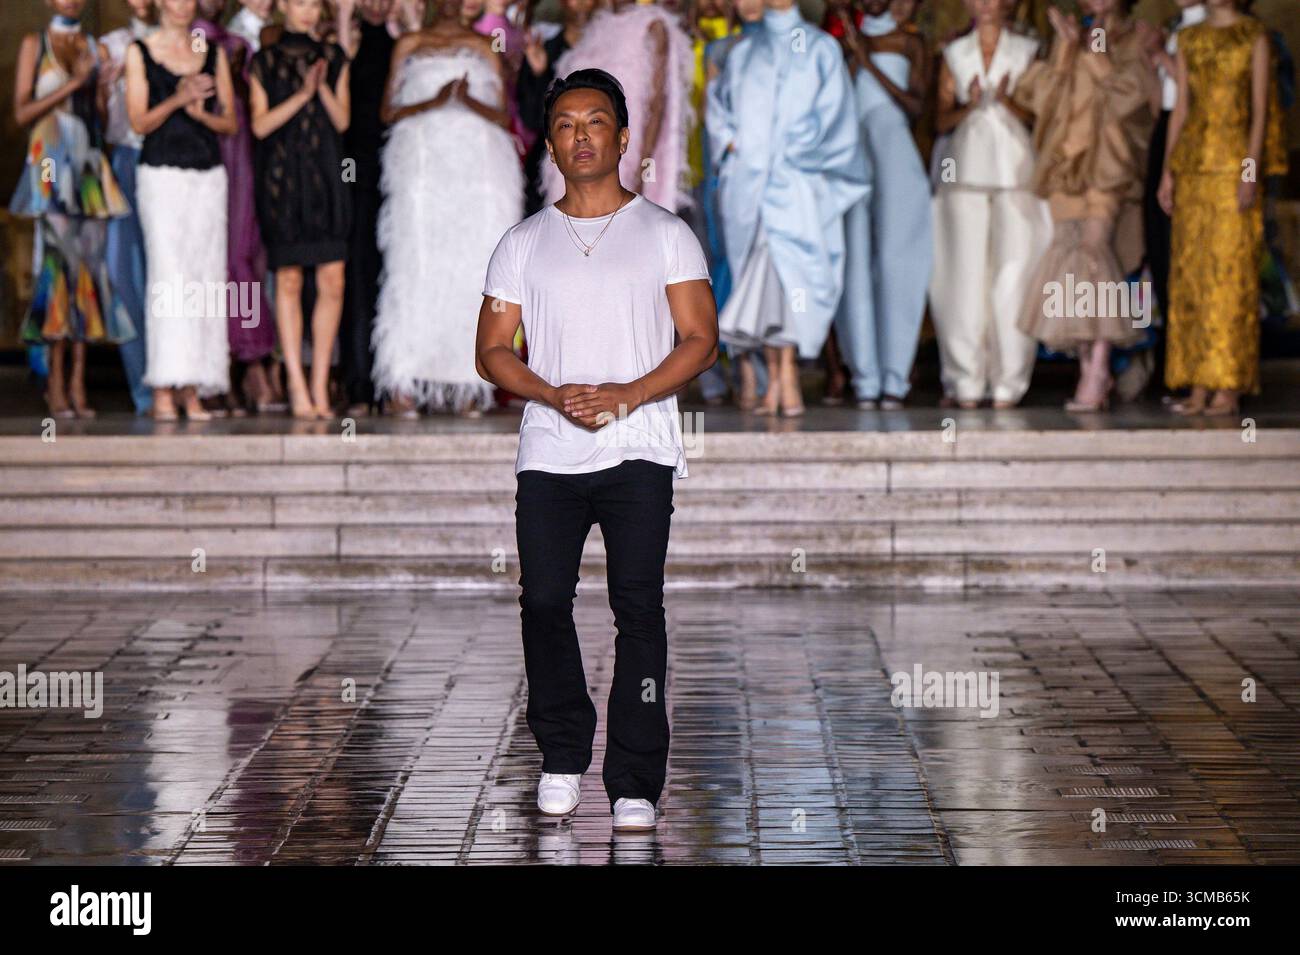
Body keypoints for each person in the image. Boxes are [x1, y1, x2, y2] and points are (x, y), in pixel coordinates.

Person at [475, 68, 717, 830]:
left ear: (621, 137)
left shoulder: (666, 233)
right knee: (544, 600)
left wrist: (625, 395)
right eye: (567, 124)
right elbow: (491, 350)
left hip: (638, 447)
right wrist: (553, 394)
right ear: (550, 142)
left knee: (636, 607)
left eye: (596, 122)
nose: (581, 135)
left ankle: (636, 778)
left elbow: (702, 340)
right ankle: (560, 752)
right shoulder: (522, 242)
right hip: (549, 451)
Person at [707, 0, 869, 417]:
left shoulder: (819, 49)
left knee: (792, 277)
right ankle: (776, 377)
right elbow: (720, 110)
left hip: (796, 186)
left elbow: (836, 118)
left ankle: (787, 372)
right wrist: (734, 148)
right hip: (750, 186)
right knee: (762, 285)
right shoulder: (742, 54)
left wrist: (793, 153)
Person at [372, 0, 522, 415]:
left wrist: (468, 102)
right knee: (415, 268)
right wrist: (433, 102)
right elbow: (387, 110)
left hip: (476, 172)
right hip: (421, 169)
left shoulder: (484, 45)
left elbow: (504, 114)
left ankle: (470, 382)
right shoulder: (409, 43)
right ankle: (403, 378)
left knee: (473, 272)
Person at [1014, 0, 1159, 411]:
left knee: (1095, 255)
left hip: (1107, 164)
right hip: (1065, 164)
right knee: (1068, 261)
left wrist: (1095, 56)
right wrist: (1065, 48)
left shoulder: (1137, 37)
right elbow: (1037, 97)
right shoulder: (1066, 36)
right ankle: (1090, 367)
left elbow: (1140, 99)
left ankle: (1097, 369)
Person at [1158, 0, 1286, 416]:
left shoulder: (1253, 36)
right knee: (1191, 275)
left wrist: (1250, 171)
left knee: (1230, 274)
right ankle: (1196, 383)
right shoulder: (1189, 38)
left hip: (1233, 168)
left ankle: (1227, 383)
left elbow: (1260, 112)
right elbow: (1181, 109)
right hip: (1192, 166)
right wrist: (1167, 172)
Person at [11, 0, 132, 419]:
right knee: (56, 269)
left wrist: (100, 89)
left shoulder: (93, 45)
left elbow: (100, 120)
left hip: (87, 164)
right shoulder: (35, 43)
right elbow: (22, 112)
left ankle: (80, 379)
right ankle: (55, 381)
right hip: (49, 161)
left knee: (88, 273)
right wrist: (72, 83)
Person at [928, 0, 1050, 409]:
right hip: (963, 173)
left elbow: (1043, 116)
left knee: (1015, 275)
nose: (985, 5)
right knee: (961, 279)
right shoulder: (954, 53)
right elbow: (939, 121)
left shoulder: (1027, 50)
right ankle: (965, 379)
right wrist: (970, 103)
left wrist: (1007, 100)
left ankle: (1009, 380)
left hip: (1016, 173)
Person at [125, 0, 237, 420]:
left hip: (207, 176)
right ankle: (163, 389)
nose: (183, 4)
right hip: (161, 176)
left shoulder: (211, 52)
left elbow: (231, 123)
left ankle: (194, 386)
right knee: (168, 277)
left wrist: (199, 114)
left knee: (203, 279)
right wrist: (177, 100)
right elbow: (138, 122)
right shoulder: (140, 50)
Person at [249, 0, 352, 419]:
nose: (306, 10)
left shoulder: (334, 56)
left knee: (333, 280)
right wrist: (302, 95)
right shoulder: (264, 60)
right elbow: (259, 126)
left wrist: (321, 88)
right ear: (282, 7)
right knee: (288, 281)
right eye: (297, 2)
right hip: (282, 182)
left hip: (328, 179)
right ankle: (295, 381)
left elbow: (343, 121)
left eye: (313, 2)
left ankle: (318, 382)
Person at [832, 0, 933, 410]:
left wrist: (866, 59)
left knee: (899, 261)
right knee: (853, 265)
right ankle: (865, 377)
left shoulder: (911, 42)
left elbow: (916, 106)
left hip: (895, 151)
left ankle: (895, 376)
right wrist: (852, 55)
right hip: (853, 156)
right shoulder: (842, 42)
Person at [196, 0, 277, 413]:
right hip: (204, 152)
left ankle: (250, 363)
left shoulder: (240, 40)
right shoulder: (195, 38)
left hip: (246, 149)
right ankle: (233, 366)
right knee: (218, 262)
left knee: (245, 256)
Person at [541, 0, 695, 214]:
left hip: (627, 153)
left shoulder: (653, 25)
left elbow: (658, 106)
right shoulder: (597, 27)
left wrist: (643, 169)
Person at [337, 0, 396, 417]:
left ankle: (393, 382)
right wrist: (342, 17)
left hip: (400, 176)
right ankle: (358, 385)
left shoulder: (403, 44)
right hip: (353, 175)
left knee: (394, 281)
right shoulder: (344, 45)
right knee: (357, 280)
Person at [99, 0, 157, 416]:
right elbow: (100, 123)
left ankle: (181, 381)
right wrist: (103, 90)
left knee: (168, 275)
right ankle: (144, 388)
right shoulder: (111, 45)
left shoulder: (182, 42)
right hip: (123, 158)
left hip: (169, 160)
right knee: (124, 274)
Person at [1143, 0, 1206, 350]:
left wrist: (1163, 57)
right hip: (1163, 127)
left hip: (1192, 134)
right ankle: (1173, 351)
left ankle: (1194, 356)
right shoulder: (1175, 28)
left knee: (1182, 249)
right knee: (1160, 248)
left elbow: (1195, 94)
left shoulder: (1210, 32)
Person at [518, 0, 594, 215]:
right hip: (546, 173)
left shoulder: (613, 51)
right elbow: (530, 119)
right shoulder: (544, 48)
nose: (580, 4)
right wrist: (540, 74)